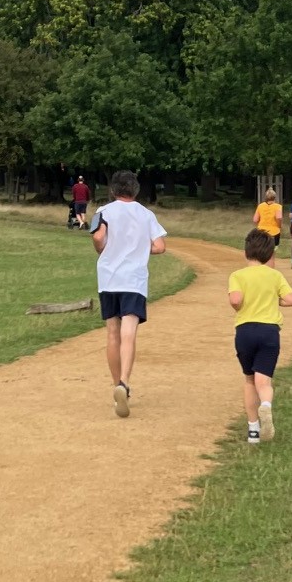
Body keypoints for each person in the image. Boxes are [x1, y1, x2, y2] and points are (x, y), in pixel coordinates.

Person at [89, 169, 166, 417]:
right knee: (129, 332)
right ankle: (124, 381)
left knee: (112, 332)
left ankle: (116, 387)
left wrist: (103, 247)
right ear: (135, 190)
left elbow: (98, 237)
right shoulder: (146, 214)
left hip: (108, 277)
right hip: (134, 279)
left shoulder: (102, 212)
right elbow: (160, 246)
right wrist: (140, 249)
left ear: (113, 190)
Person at [227, 228, 292, 443]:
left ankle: (253, 430)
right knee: (263, 381)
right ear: (269, 255)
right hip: (269, 332)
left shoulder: (237, 275)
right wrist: (272, 300)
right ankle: (266, 405)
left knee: (249, 379)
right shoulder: (275, 276)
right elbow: (291, 300)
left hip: (245, 331)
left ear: (246, 252)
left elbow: (236, 300)